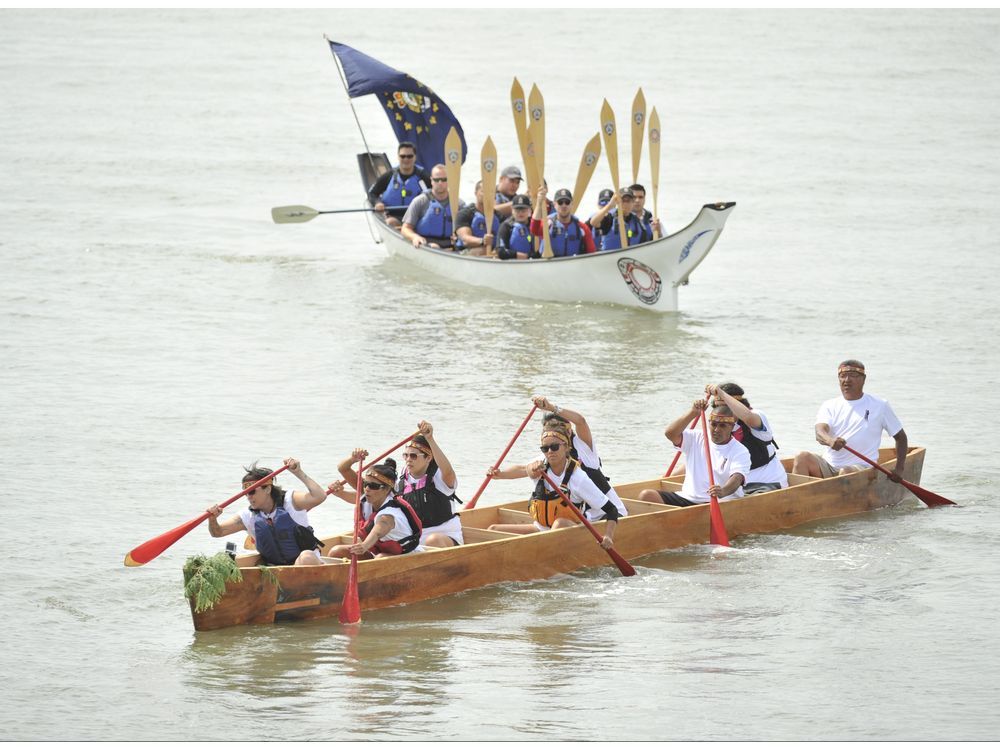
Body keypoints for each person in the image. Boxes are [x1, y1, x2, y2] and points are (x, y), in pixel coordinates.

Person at [486, 429, 627, 546]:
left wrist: (608, 536)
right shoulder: (540, 465)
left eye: (554, 447)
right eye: (545, 448)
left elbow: (611, 509)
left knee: (559, 524)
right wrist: (499, 474)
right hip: (541, 529)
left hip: (572, 530)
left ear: (566, 447)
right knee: (492, 530)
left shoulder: (579, 478)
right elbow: (522, 468)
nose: (549, 452)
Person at [791, 360, 907, 480]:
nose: (847, 380)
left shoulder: (880, 405)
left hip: (862, 468)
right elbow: (819, 432)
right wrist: (830, 440)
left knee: (845, 472)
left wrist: (899, 469)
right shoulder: (829, 405)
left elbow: (900, 437)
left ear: (864, 379)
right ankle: (797, 497)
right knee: (802, 457)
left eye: (853, 375)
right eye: (843, 376)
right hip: (829, 465)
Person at [206, 458, 329, 567]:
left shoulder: (291, 501)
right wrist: (212, 519)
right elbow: (218, 532)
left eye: (252, 491)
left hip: (305, 563)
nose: (249, 497)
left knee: (307, 556)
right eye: (246, 493)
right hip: (274, 569)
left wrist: (298, 472)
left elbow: (320, 496)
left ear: (268, 489)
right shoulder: (247, 516)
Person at [638, 399, 751, 506]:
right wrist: (692, 413)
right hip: (688, 498)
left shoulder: (740, 451)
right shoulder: (696, 437)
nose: (716, 430)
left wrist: (723, 491)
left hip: (719, 500)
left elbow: (737, 478)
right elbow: (670, 433)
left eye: (722, 426)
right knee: (647, 495)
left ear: (731, 427)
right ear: (709, 423)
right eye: (713, 424)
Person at [326, 458, 423, 559]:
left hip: (407, 555)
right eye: (365, 484)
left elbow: (377, 532)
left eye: (373, 486)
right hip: (379, 551)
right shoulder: (368, 498)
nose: (367, 489)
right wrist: (339, 492)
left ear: (387, 489)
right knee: (336, 552)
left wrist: (364, 546)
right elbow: (343, 469)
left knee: (380, 558)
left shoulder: (389, 515)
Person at [706, 383, 788, 493]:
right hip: (733, 485)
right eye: (717, 407)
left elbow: (748, 417)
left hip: (767, 483)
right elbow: (701, 454)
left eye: (727, 406)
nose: (722, 411)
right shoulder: (717, 426)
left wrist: (721, 393)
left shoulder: (756, 415)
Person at [366, 141, 432, 228]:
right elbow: (372, 193)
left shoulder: (423, 176)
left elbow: (436, 194)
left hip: (416, 218)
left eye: (409, 156)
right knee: (390, 222)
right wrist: (377, 203)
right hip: (393, 216)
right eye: (403, 156)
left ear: (415, 157)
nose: (406, 159)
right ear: (398, 157)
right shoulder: (389, 175)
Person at [400, 164, 466, 249]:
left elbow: (466, 228)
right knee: (434, 247)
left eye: (444, 180)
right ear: (431, 180)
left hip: (451, 243)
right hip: (427, 242)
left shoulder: (459, 204)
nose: (440, 183)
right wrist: (414, 237)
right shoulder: (420, 201)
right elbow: (405, 229)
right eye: (436, 180)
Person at [530, 187, 595, 256]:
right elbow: (534, 229)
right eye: (560, 202)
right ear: (555, 205)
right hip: (551, 264)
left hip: (573, 264)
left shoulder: (582, 228)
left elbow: (591, 252)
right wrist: (539, 204)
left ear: (571, 204)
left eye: (567, 202)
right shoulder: (547, 224)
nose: (564, 205)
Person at [454, 180, 499, 256]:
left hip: (493, 253)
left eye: (490, 192)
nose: (487, 195)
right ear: (475, 193)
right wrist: (482, 241)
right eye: (483, 191)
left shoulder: (498, 215)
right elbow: (465, 239)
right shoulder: (465, 214)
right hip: (466, 253)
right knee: (483, 250)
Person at [496, 194, 538, 260]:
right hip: (512, 262)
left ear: (530, 210)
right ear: (512, 210)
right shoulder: (506, 226)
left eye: (523, 210)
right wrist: (525, 256)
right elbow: (501, 251)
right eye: (517, 210)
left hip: (532, 262)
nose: (520, 213)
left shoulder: (535, 225)